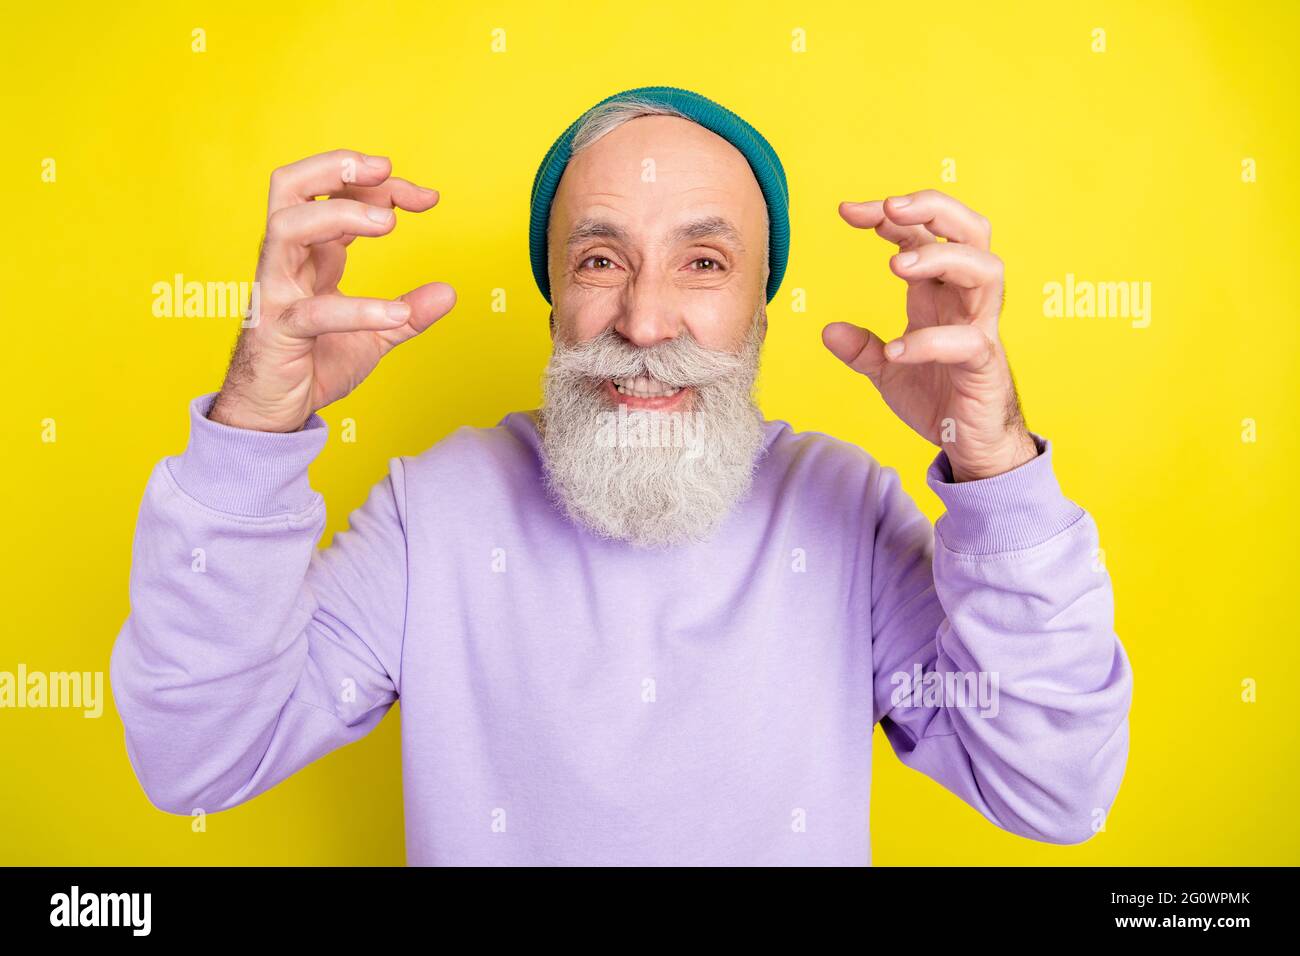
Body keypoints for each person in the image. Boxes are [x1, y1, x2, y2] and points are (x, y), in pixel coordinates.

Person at [109, 85, 1132, 865]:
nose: (645, 323)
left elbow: (1052, 787)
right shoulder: (440, 509)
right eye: (600, 260)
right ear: (554, 295)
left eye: (703, 263)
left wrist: (992, 460)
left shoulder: (842, 509)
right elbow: (198, 752)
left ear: (758, 309)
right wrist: (254, 421)